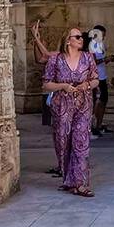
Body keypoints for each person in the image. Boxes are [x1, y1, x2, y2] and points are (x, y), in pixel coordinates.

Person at [42, 26, 99, 196]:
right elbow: (46, 84)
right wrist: (63, 86)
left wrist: (87, 85)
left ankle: (81, 183)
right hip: (62, 107)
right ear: (68, 41)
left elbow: (95, 79)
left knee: (81, 142)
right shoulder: (56, 60)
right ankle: (69, 180)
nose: (81, 39)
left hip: (83, 105)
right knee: (63, 143)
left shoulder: (88, 58)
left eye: (82, 37)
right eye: (77, 36)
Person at [31, 18, 60, 175]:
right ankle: (62, 164)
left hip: (66, 98)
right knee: (57, 132)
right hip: (53, 96)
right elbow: (41, 59)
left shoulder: (67, 56)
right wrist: (36, 41)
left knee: (67, 133)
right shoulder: (58, 56)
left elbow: (46, 54)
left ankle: (69, 165)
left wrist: (36, 37)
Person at [87, 24, 114, 137]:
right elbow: (92, 62)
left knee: (104, 100)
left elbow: (100, 61)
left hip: (102, 76)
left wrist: (107, 60)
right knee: (98, 101)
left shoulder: (100, 44)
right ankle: (94, 125)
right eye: (102, 35)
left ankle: (99, 124)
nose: (103, 37)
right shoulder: (91, 46)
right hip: (96, 77)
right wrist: (106, 59)